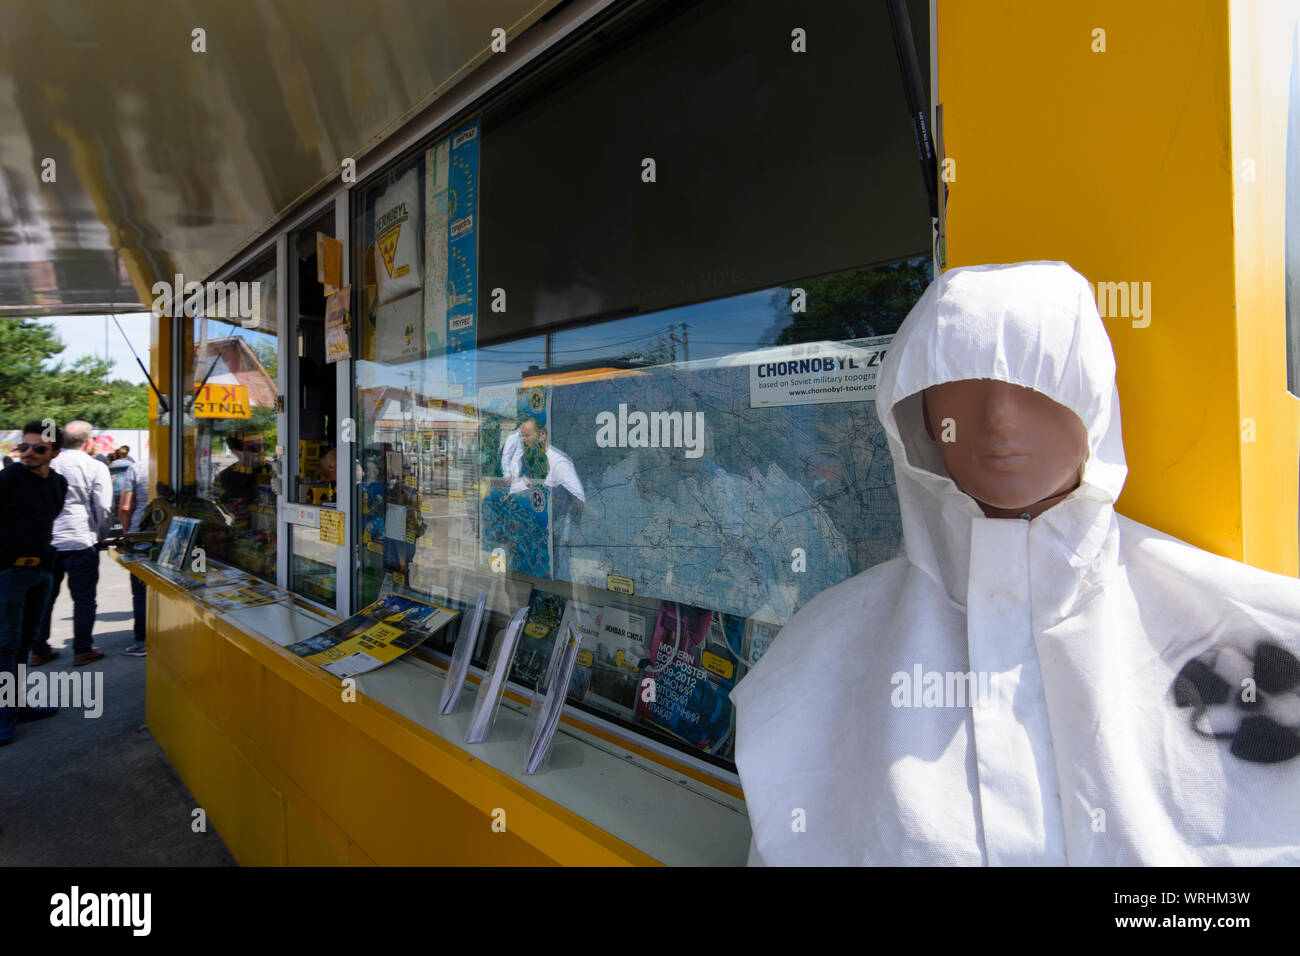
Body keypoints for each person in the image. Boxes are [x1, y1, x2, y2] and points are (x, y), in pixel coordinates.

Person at [730, 261, 1300, 865]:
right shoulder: (817, 656)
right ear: (918, 412)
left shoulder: (1246, 628)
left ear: (1092, 398)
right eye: (959, 382)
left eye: (1036, 378)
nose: (998, 416)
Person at [0, 422, 68, 743]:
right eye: (23, 447)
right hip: (9, 572)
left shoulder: (59, 483)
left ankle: (18, 704)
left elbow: (47, 519)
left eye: (38, 449)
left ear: (54, 452)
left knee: (25, 642)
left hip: (41, 571)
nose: (27, 453)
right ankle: (3, 713)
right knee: (5, 644)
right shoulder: (9, 479)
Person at [31, 421, 112, 667]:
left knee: (44, 598)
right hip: (80, 539)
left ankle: (38, 648)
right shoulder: (94, 466)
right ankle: (82, 649)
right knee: (84, 597)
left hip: (48, 540)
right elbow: (104, 507)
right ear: (88, 443)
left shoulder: (49, 462)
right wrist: (101, 533)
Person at [118, 455, 150, 656]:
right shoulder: (188, 464)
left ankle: (142, 640)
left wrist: (127, 534)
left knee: (140, 592)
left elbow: (125, 506)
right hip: (177, 534)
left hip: (141, 537)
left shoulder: (137, 468)